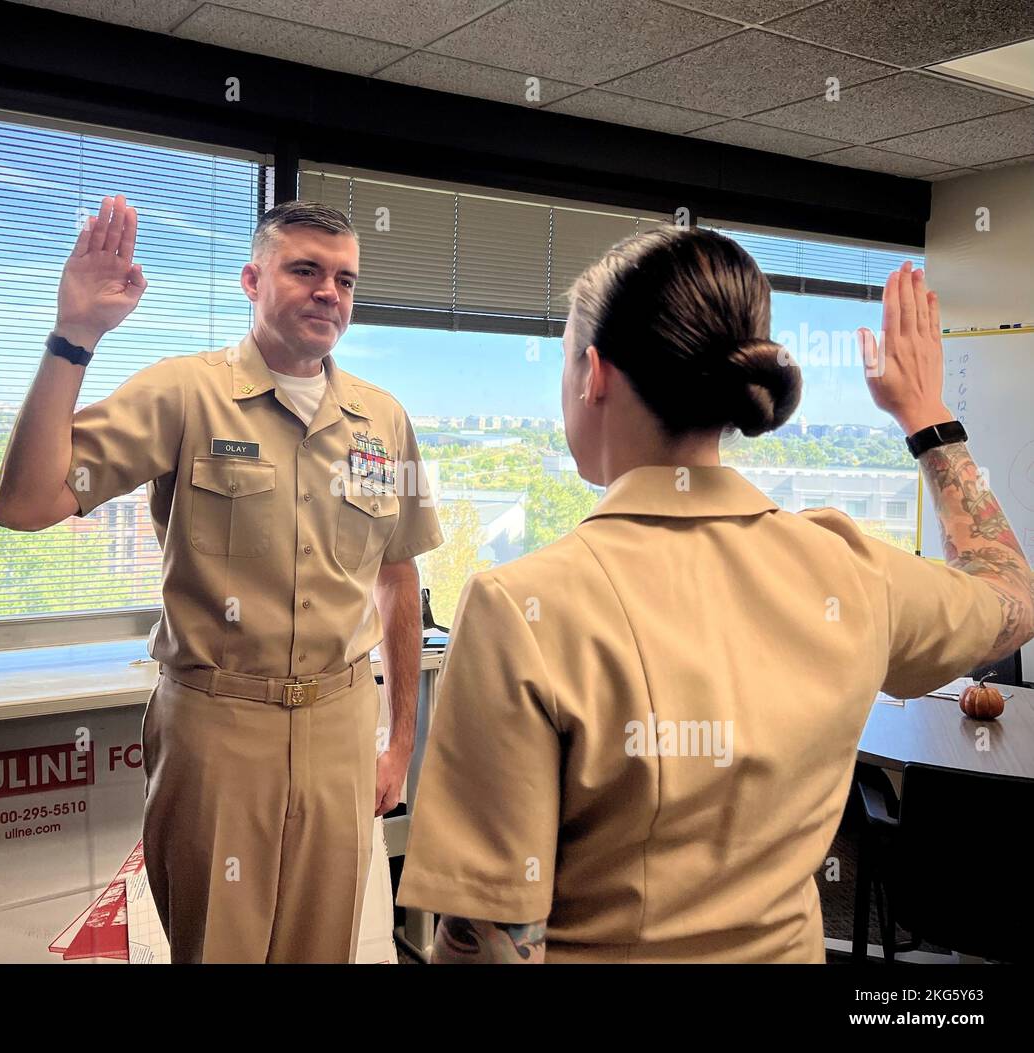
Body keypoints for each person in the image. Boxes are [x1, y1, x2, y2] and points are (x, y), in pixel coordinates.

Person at [395, 226, 1034, 963]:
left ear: (592, 374)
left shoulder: (524, 607)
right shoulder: (850, 570)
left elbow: (495, 946)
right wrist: (926, 417)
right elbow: (1009, 591)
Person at [0, 196, 443, 962]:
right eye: (304, 270)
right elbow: (28, 502)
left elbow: (398, 576)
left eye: (344, 278)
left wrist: (399, 743)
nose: (327, 292)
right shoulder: (184, 393)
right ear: (251, 279)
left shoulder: (382, 420)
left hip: (339, 727)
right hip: (219, 727)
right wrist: (75, 337)